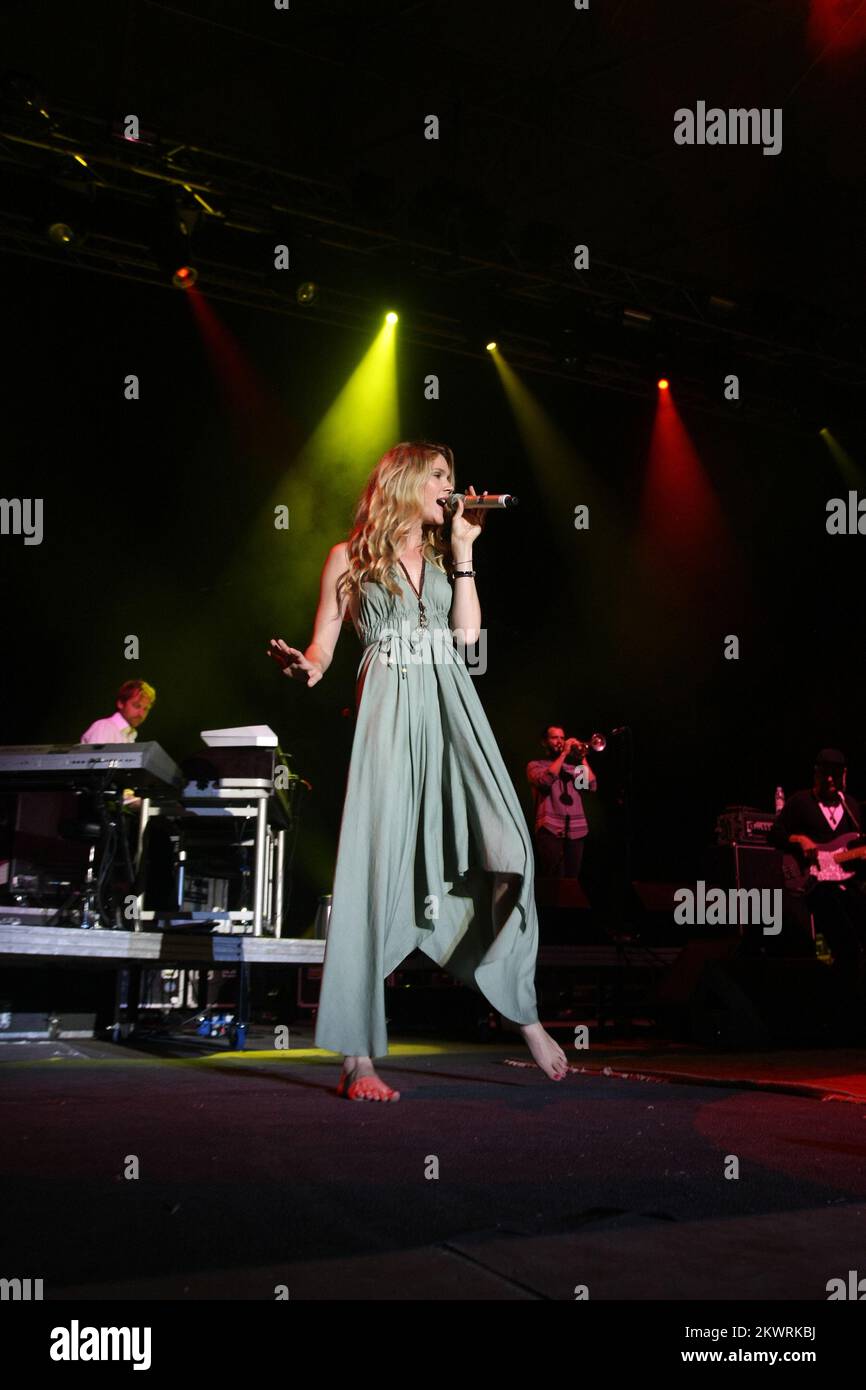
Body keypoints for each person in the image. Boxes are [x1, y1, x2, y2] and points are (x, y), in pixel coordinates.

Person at [268, 441, 568, 1101]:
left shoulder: (441, 557)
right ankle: (358, 1061)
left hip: (451, 705)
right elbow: (322, 645)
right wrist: (307, 666)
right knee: (377, 864)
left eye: (452, 479)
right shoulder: (347, 558)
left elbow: (467, 638)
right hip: (387, 706)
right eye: (440, 476)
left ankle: (521, 1008)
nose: (450, 487)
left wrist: (464, 551)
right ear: (404, 481)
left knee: (512, 844)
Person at [771, 748, 866, 1000]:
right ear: (816, 773)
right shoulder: (800, 802)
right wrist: (799, 839)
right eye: (825, 774)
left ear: (844, 775)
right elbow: (775, 834)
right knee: (841, 943)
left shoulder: (852, 807)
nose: (830, 780)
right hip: (815, 885)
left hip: (846, 885)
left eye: (835, 775)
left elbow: (854, 851)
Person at [527, 727, 597, 878]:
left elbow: (591, 785)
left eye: (562, 737)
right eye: (554, 738)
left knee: (572, 882)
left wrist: (582, 757)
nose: (560, 741)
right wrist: (564, 753)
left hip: (576, 830)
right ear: (545, 742)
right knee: (553, 881)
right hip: (550, 830)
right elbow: (545, 782)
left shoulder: (573, 769)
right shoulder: (536, 765)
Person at [80, 680, 155, 744]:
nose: (141, 714)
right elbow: (95, 760)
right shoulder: (104, 727)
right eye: (136, 706)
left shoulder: (129, 735)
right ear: (120, 703)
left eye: (146, 709)